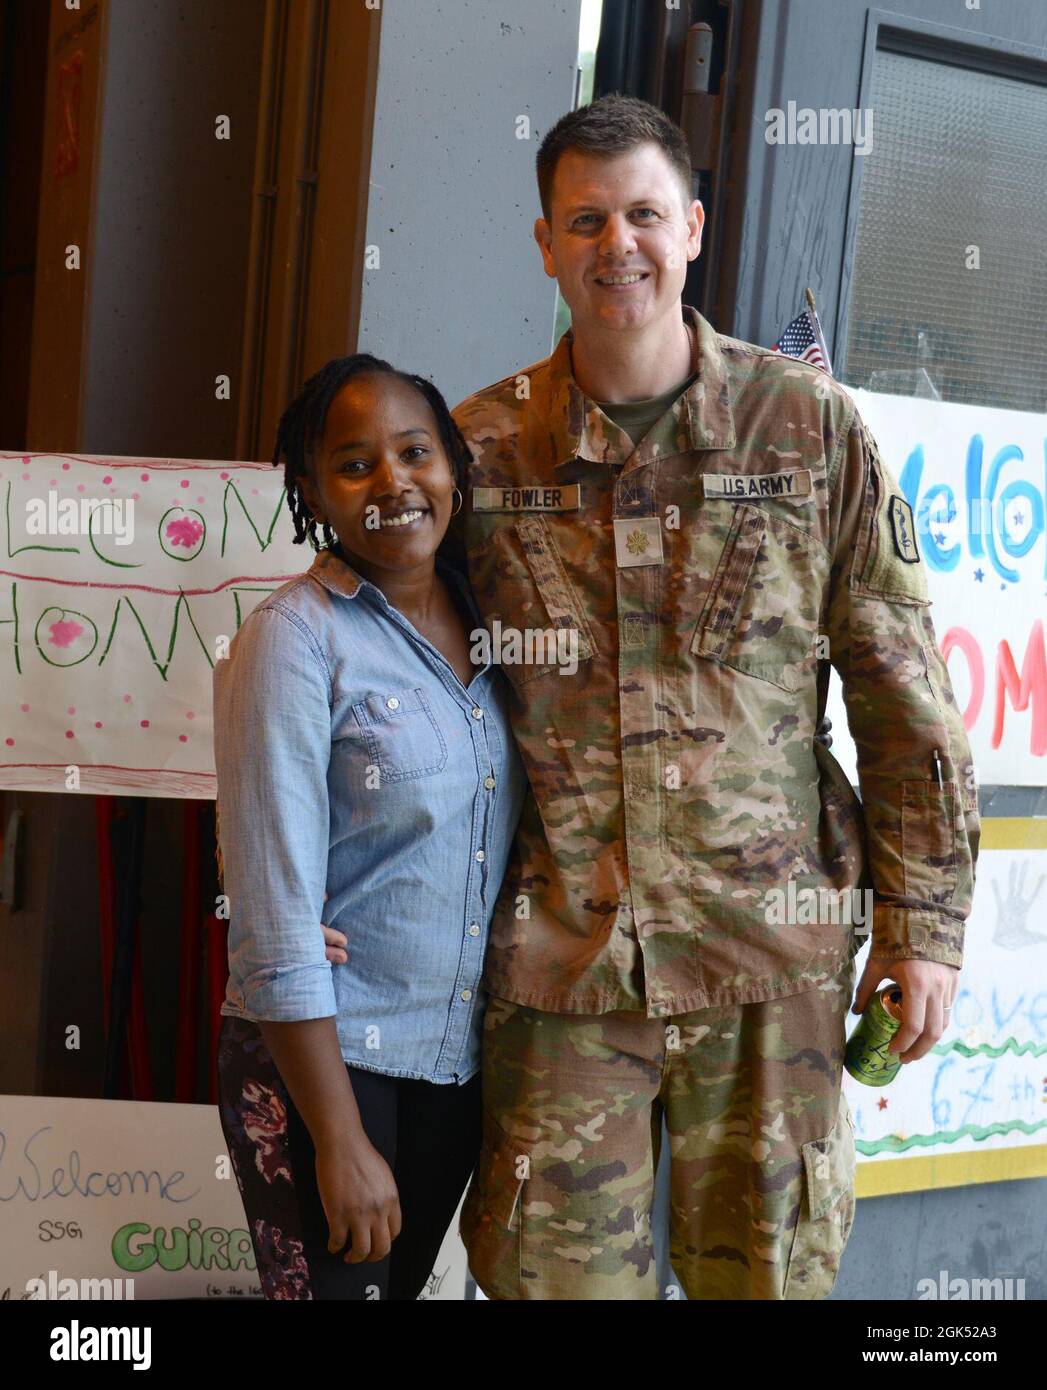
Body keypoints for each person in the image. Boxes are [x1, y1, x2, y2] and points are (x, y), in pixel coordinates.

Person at [444, 94, 979, 1300]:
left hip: (770, 959)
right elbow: (405, 699)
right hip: (564, 970)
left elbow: (904, 697)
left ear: (692, 227)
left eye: (642, 213)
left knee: (772, 1284)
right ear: (545, 242)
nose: (615, 244)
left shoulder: (809, 430)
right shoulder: (478, 454)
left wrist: (922, 928)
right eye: (584, 220)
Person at [212, 356, 527, 1299]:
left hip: (453, 1068)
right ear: (311, 491)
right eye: (354, 464)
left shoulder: (496, 623)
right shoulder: (293, 638)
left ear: (454, 470)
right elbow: (271, 923)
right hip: (330, 1066)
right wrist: (340, 1139)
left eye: (414, 452)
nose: (392, 482)